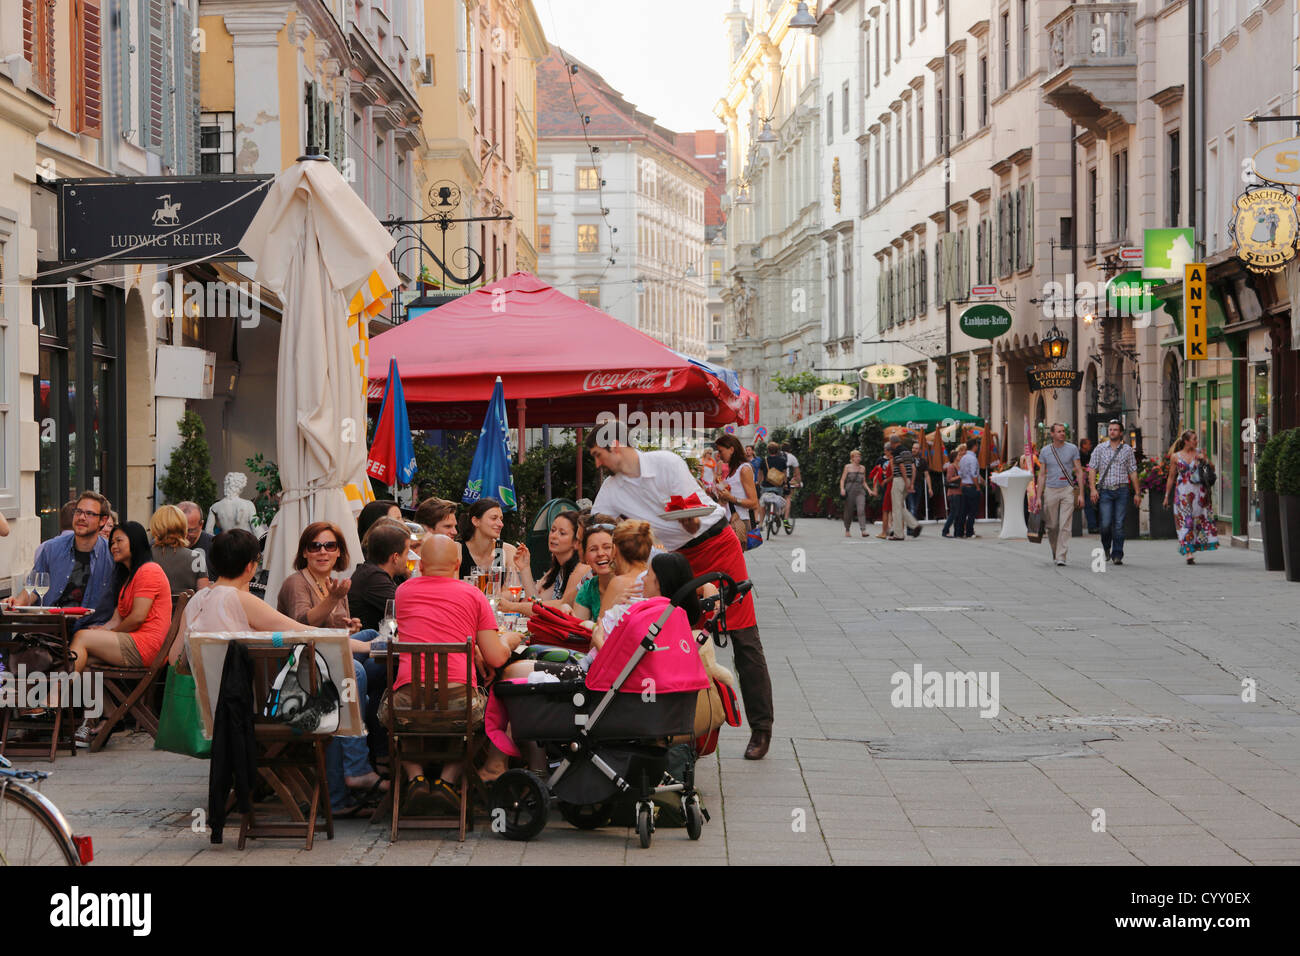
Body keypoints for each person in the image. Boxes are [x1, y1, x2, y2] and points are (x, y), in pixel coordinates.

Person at [587, 425, 774, 759]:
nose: (598, 464)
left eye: (598, 455)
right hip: (680, 560)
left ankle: (761, 728)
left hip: (716, 542)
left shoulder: (665, 463)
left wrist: (685, 521)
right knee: (680, 637)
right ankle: (689, 728)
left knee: (744, 636)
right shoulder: (611, 489)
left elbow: (691, 517)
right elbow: (598, 523)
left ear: (613, 445)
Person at [383, 534, 521, 814]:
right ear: (458, 564)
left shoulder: (404, 592)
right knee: (484, 715)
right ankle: (448, 780)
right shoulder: (473, 595)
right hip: (460, 704)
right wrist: (512, 640)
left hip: (408, 701)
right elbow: (496, 656)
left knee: (399, 716)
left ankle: (416, 778)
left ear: (421, 567)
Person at [276, 521, 385, 813]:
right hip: (301, 675)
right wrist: (334, 600)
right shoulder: (296, 582)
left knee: (374, 641)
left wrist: (350, 626)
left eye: (330, 546)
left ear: (339, 552)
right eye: (315, 546)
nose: (322, 552)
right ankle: (357, 767)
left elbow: (338, 636)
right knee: (355, 676)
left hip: (327, 665)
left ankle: (378, 744)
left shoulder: (333, 583)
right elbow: (304, 625)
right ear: (305, 553)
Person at [65, 522, 172, 745]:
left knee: (82, 638)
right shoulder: (129, 576)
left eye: (119, 541)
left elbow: (137, 618)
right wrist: (102, 631)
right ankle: (111, 713)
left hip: (147, 646)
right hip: (135, 642)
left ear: (136, 542)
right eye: (112, 542)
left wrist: (106, 634)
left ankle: (59, 691)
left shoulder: (149, 571)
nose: (113, 546)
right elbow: (118, 617)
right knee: (84, 658)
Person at [9, 492, 115, 630]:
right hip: (51, 626)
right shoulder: (52, 548)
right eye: (78, 512)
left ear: (103, 520)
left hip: (90, 630)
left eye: (89, 513)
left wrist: (107, 628)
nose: (82, 517)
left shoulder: (112, 555)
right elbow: (34, 588)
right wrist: (16, 602)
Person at [1087, 420, 1141, 566]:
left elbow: (1133, 471)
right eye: (1110, 429)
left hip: (1122, 490)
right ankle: (1106, 547)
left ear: (1121, 433)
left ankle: (1117, 554)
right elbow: (1092, 469)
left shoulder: (1127, 450)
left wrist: (1137, 492)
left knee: (1118, 524)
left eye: (1115, 430)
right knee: (1105, 524)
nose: (1112, 432)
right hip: (1105, 491)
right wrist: (1092, 489)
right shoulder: (1100, 449)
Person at [1164, 430, 1220, 565]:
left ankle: (1195, 545)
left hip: (1199, 493)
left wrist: (1205, 460)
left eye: (1196, 439)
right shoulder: (1175, 457)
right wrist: (1166, 496)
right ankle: (1188, 552)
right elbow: (1171, 477)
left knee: (1198, 521)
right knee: (1185, 521)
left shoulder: (1200, 453)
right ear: (1186, 441)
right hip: (1182, 493)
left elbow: (1211, 468)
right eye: (1194, 439)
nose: (1196, 441)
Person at [512, 511, 589, 606]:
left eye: (562, 533)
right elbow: (535, 601)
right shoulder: (558, 569)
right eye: (553, 530)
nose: (554, 536)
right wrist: (524, 568)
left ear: (576, 541)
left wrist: (512, 606)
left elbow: (561, 606)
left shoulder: (580, 569)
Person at [1036, 423, 1085, 566]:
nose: (1062, 434)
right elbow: (1042, 475)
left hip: (1067, 489)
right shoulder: (1045, 451)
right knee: (1052, 526)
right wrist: (1038, 497)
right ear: (1052, 434)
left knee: (1065, 524)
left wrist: (1081, 494)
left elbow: (1079, 471)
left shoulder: (1072, 449)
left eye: (1063, 431)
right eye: (1059, 431)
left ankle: (1061, 555)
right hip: (1051, 490)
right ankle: (1055, 550)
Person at [149, 504, 211, 592]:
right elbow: (203, 596)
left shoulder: (145, 556)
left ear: (155, 526)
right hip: (186, 605)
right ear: (183, 526)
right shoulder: (196, 557)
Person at [713, 434, 760, 545]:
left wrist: (731, 498)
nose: (719, 455)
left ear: (731, 450)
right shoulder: (733, 470)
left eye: (721, 451)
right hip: (729, 521)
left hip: (739, 522)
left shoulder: (744, 469)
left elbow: (754, 503)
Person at [457, 497, 518, 579]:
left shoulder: (508, 551)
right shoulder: (458, 550)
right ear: (475, 521)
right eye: (494, 518)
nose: (501, 524)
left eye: (501, 519)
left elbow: (511, 588)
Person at [888, 441, 922, 540]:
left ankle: (898, 534)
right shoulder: (908, 452)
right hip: (908, 479)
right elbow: (914, 469)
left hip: (899, 480)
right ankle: (914, 525)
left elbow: (901, 466)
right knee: (900, 506)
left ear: (893, 443)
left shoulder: (897, 452)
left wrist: (906, 482)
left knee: (896, 508)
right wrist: (911, 483)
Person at [956, 441, 983, 538]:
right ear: (975, 446)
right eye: (977, 446)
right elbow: (973, 474)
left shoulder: (963, 458)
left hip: (964, 486)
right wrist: (978, 487)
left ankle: (959, 532)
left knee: (963, 510)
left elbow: (960, 473)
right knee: (973, 511)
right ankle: (969, 531)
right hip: (971, 486)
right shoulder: (973, 458)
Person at [839, 449, 868, 537]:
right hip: (850, 490)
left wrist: (869, 490)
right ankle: (847, 529)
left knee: (861, 510)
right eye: (856, 456)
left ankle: (863, 530)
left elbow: (864, 482)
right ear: (852, 458)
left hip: (860, 491)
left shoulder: (863, 468)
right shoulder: (847, 467)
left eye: (859, 456)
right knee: (849, 511)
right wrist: (842, 489)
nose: (858, 458)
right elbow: (842, 479)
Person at [178, 501, 215, 569]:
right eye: (179, 530)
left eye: (190, 530)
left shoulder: (215, 546)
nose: (184, 536)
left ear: (201, 525)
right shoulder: (160, 546)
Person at [868, 444, 893, 539]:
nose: (887, 451)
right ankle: (888, 527)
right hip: (884, 485)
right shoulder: (880, 460)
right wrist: (875, 489)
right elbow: (876, 474)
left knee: (888, 508)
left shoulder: (893, 459)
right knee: (886, 507)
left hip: (890, 484)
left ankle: (889, 527)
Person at [941, 445, 965, 538]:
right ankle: (945, 531)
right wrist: (959, 476)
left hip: (959, 492)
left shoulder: (958, 466)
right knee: (953, 513)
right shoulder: (951, 467)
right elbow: (949, 479)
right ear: (955, 458)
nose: (960, 457)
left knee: (957, 513)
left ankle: (957, 532)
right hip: (953, 493)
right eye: (959, 455)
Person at [1078, 437, 1099, 534]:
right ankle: (1092, 526)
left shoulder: (1089, 454)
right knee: (1087, 504)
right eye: (1088, 444)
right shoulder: (1079, 455)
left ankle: (1093, 525)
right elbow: (1076, 467)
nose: (1090, 446)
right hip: (1080, 482)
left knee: (1090, 504)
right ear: (1083, 445)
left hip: (1088, 482)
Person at [781, 442, 803, 530]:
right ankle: (785, 519)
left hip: (774, 479)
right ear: (789, 450)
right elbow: (797, 473)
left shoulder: (776, 455)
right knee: (788, 497)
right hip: (786, 479)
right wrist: (799, 482)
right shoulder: (791, 457)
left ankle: (775, 513)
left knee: (777, 495)